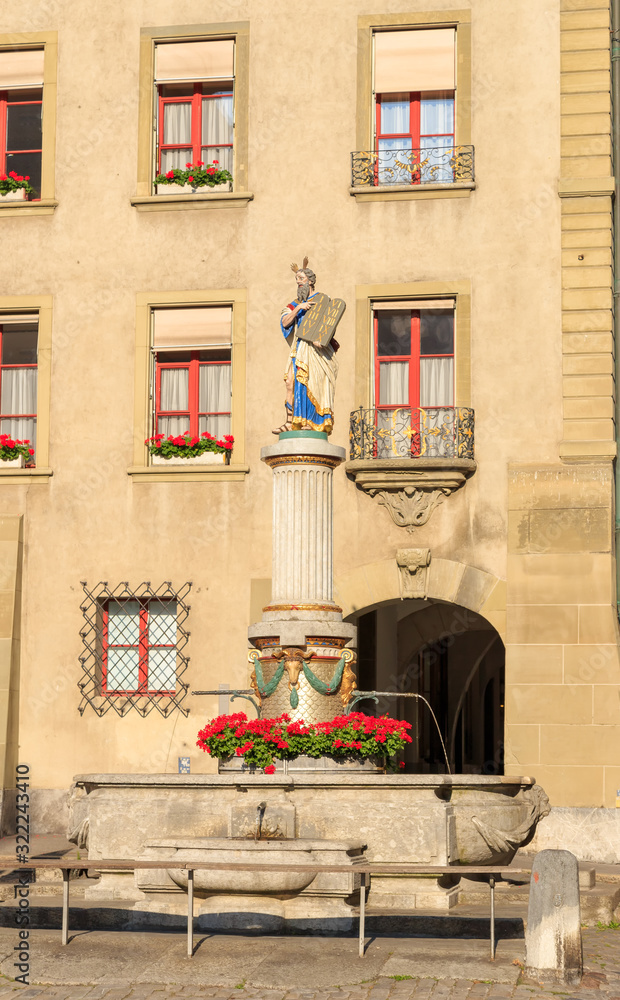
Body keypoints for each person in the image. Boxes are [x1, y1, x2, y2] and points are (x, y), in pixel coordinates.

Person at [273, 261, 339, 435]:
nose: (298, 282)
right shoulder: (295, 304)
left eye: (301, 278)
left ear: (310, 281)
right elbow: (285, 322)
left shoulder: (322, 300)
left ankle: (312, 420)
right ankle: (290, 421)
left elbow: (329, 323)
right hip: (299, 346)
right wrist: (298, 309)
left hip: (316, 349)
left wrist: (322, 340)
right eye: (296, 279)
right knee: (290, 382)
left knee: (313, 383)